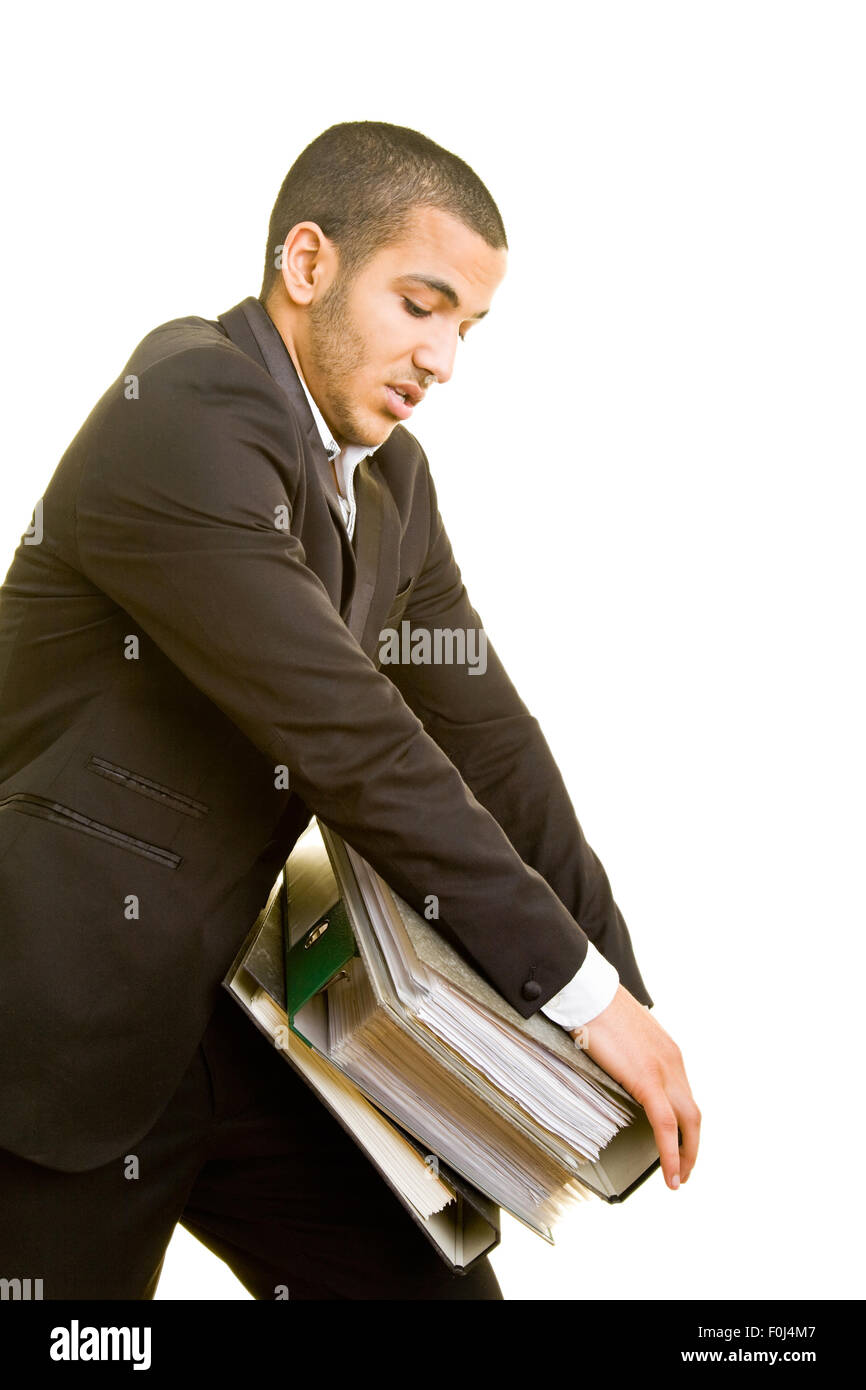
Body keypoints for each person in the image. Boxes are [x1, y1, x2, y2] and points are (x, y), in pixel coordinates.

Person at [0, 120, 700, 1300]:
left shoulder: (391, 485)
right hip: (42, 1025)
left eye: (465, 327)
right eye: (419, 303)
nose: (442, 359)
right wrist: (571, 996)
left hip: (212, 1007)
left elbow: (489, 743)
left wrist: (623, 1009)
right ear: (308, 263)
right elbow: (353, 742)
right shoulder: (183, 409)